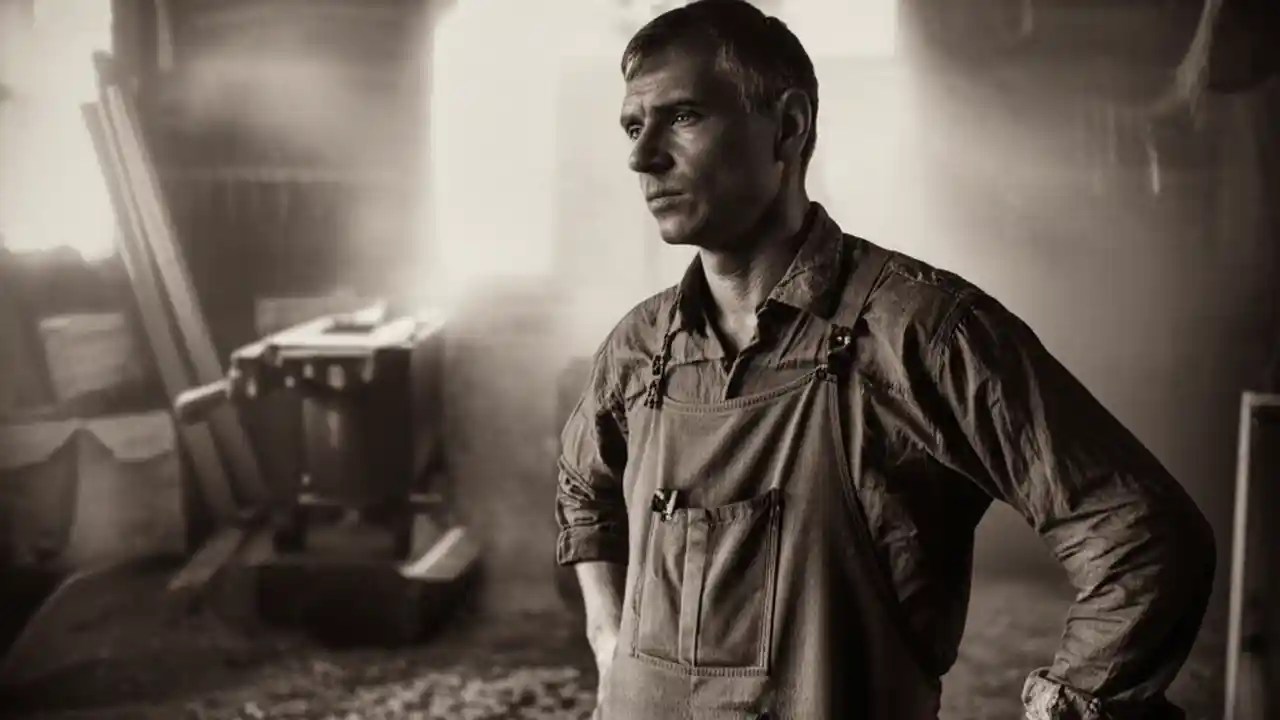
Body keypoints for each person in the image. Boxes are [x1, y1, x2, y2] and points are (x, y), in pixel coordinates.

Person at [554, 2, 1216, 718]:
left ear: (788, 126)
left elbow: (1143, 537)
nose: (641, 155)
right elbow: (582, 490)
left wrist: (1069, 707)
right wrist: (607, 639)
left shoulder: (921, 334)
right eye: (632, 125)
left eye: (682, 117)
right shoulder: (638, 350)